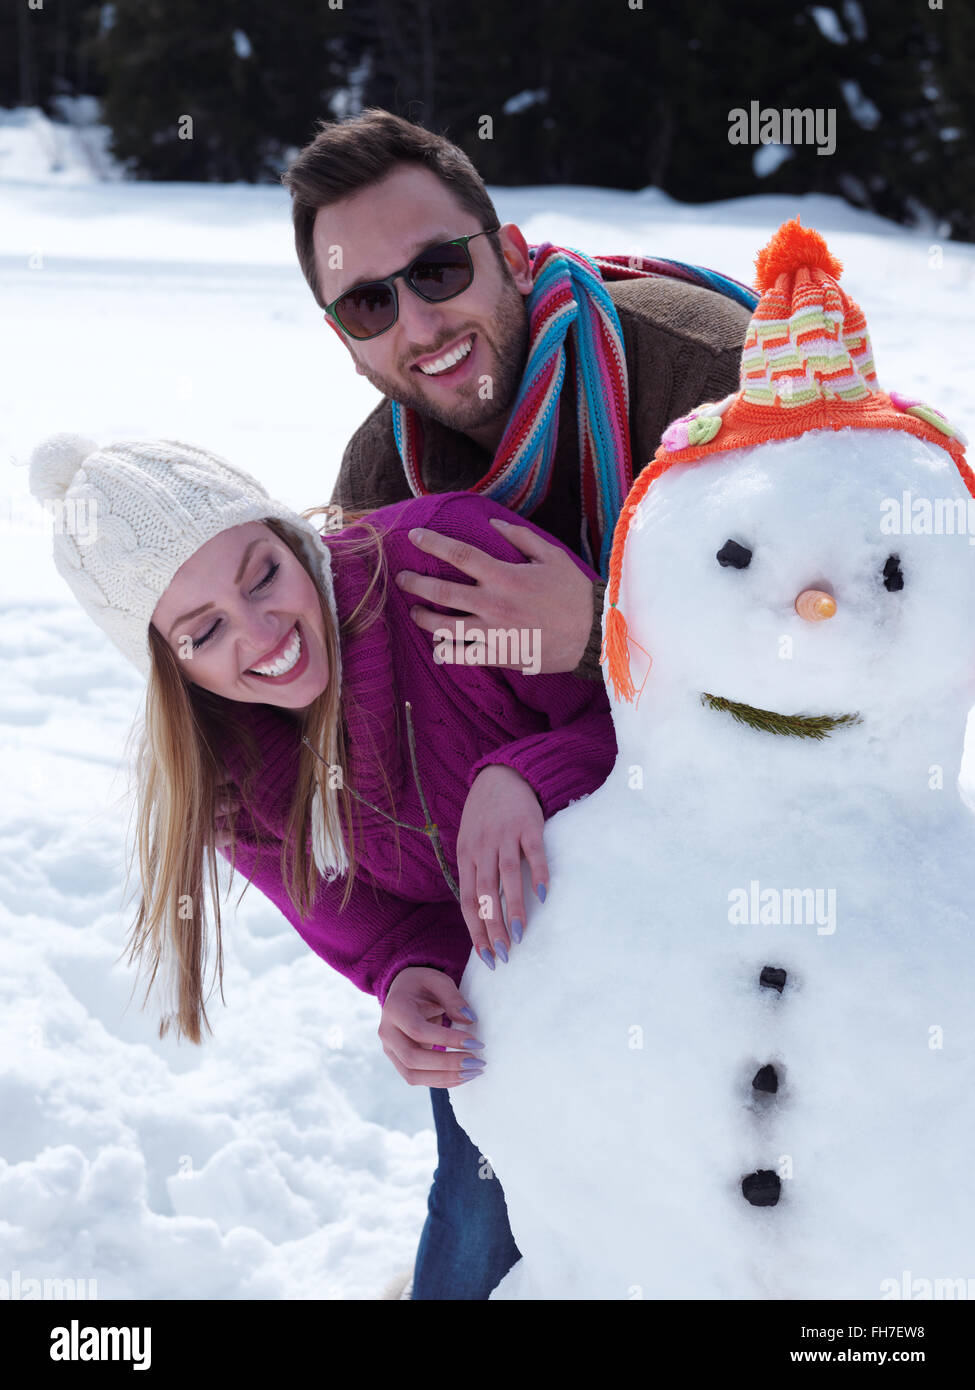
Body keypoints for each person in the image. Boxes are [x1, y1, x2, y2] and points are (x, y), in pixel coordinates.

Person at [28, 433, 617, 1299]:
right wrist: (409, 975)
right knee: (478, 1210)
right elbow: (375, 926)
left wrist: (526, 773)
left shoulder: (441, 570)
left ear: (284, 531)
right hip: (522, 1004)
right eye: (204, 631)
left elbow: (675, 724)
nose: (262, 634)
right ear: (168, 667)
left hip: (672, 942)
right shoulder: (227, 771)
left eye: (261, 573)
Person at [281, 107, 756, 685]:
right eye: (369, 305)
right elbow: (356, 704)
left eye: (438, 268)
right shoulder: (377, 482)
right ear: (348, 344)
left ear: (512, 258)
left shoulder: (706, 371)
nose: (424, 328)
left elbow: (849, 636)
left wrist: (601, 632)